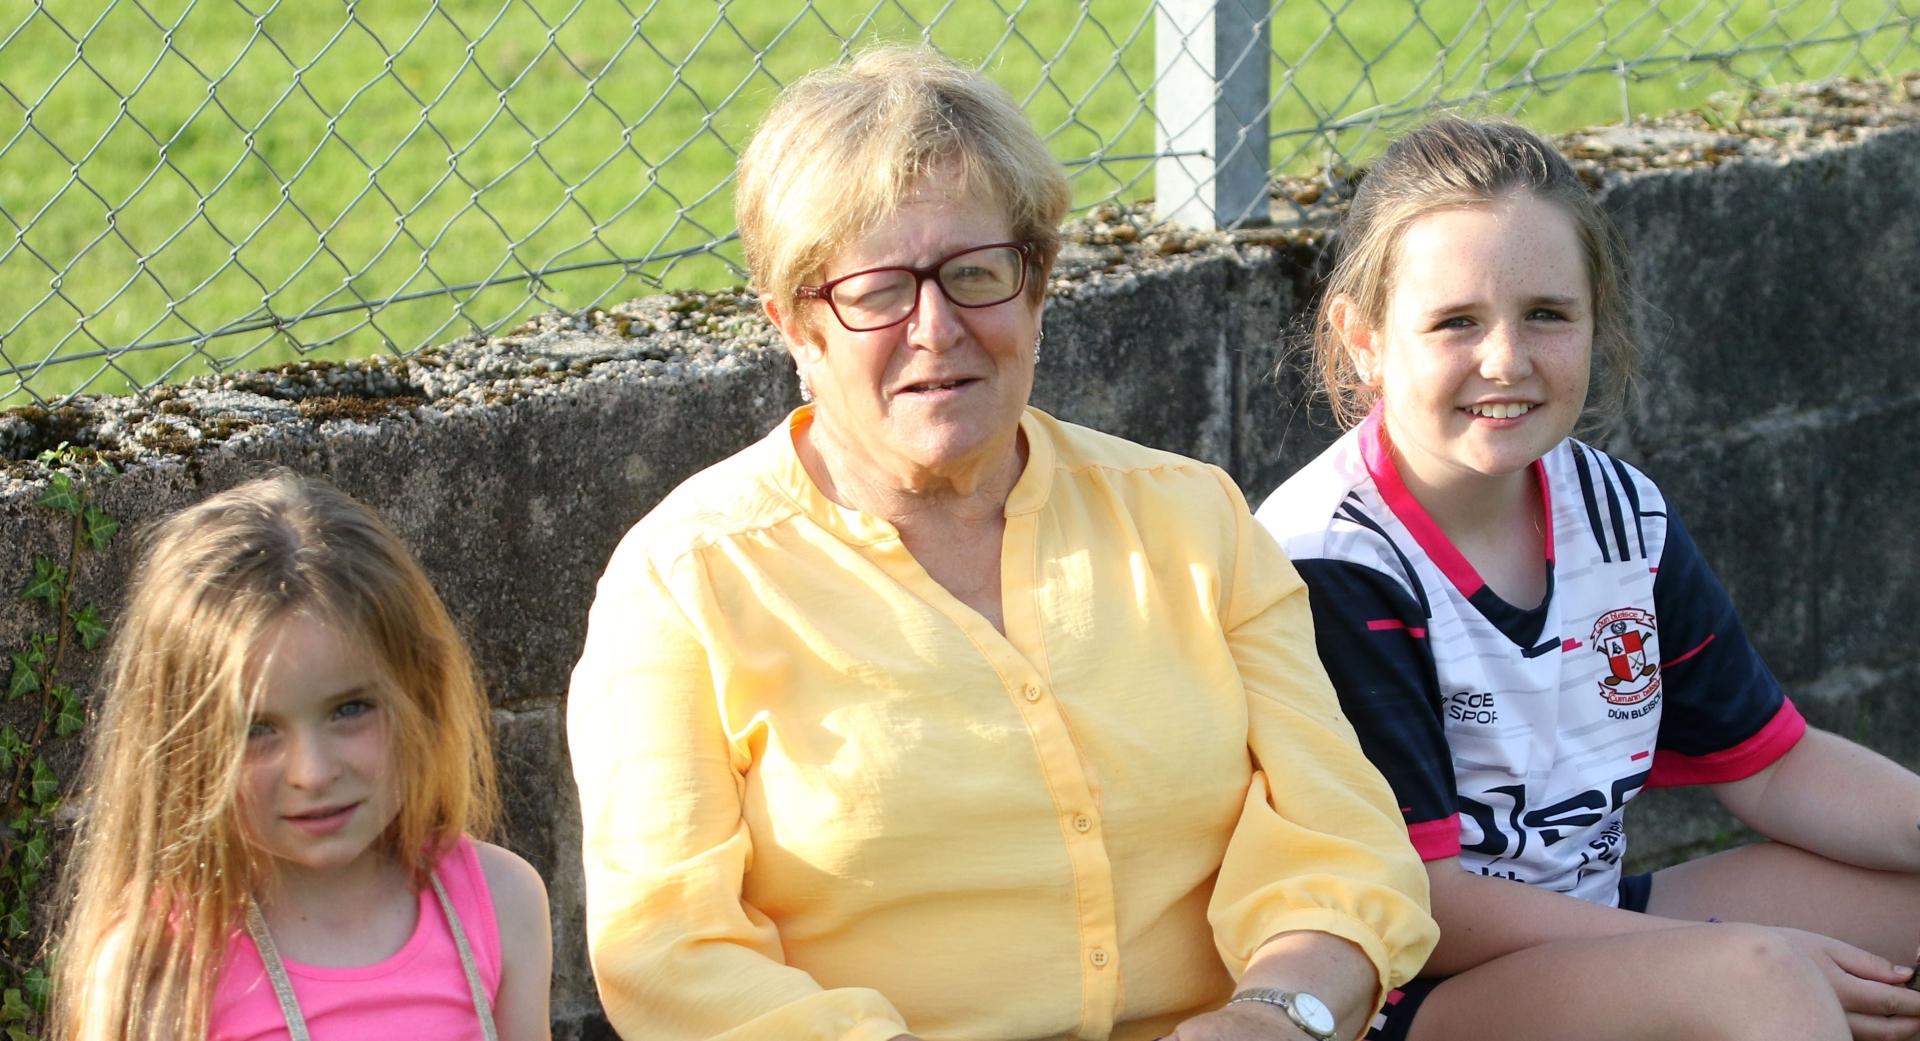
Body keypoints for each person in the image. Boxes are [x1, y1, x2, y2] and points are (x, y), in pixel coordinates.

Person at [568, 47, 1436, 1041]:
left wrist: (1277, 1018)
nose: (935, 330)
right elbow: (670, 956)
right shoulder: (686, 583)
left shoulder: (1192, 520)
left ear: (1037, 287)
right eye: (876, 292)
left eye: (976, 274)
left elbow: (1344, 846)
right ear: (794, 325)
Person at [1256, 115, 1920, 1041]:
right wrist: (1723, 959)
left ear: (1596, 317)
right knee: (1762, 980)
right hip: (1421, 992)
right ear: (1363, 338)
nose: (1507, 360)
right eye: (1455, 321)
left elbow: (1774, 766)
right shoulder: (1332, 562)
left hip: (1593, 921)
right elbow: (1426, 901)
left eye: (1547, 314)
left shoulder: (1615, 508)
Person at [50, 472, 552, 1041]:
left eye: (351, 709)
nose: (312, 773)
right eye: (256, 729)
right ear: (179, 747)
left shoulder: (500, 903)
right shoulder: (161, 970)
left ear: (424, 695)